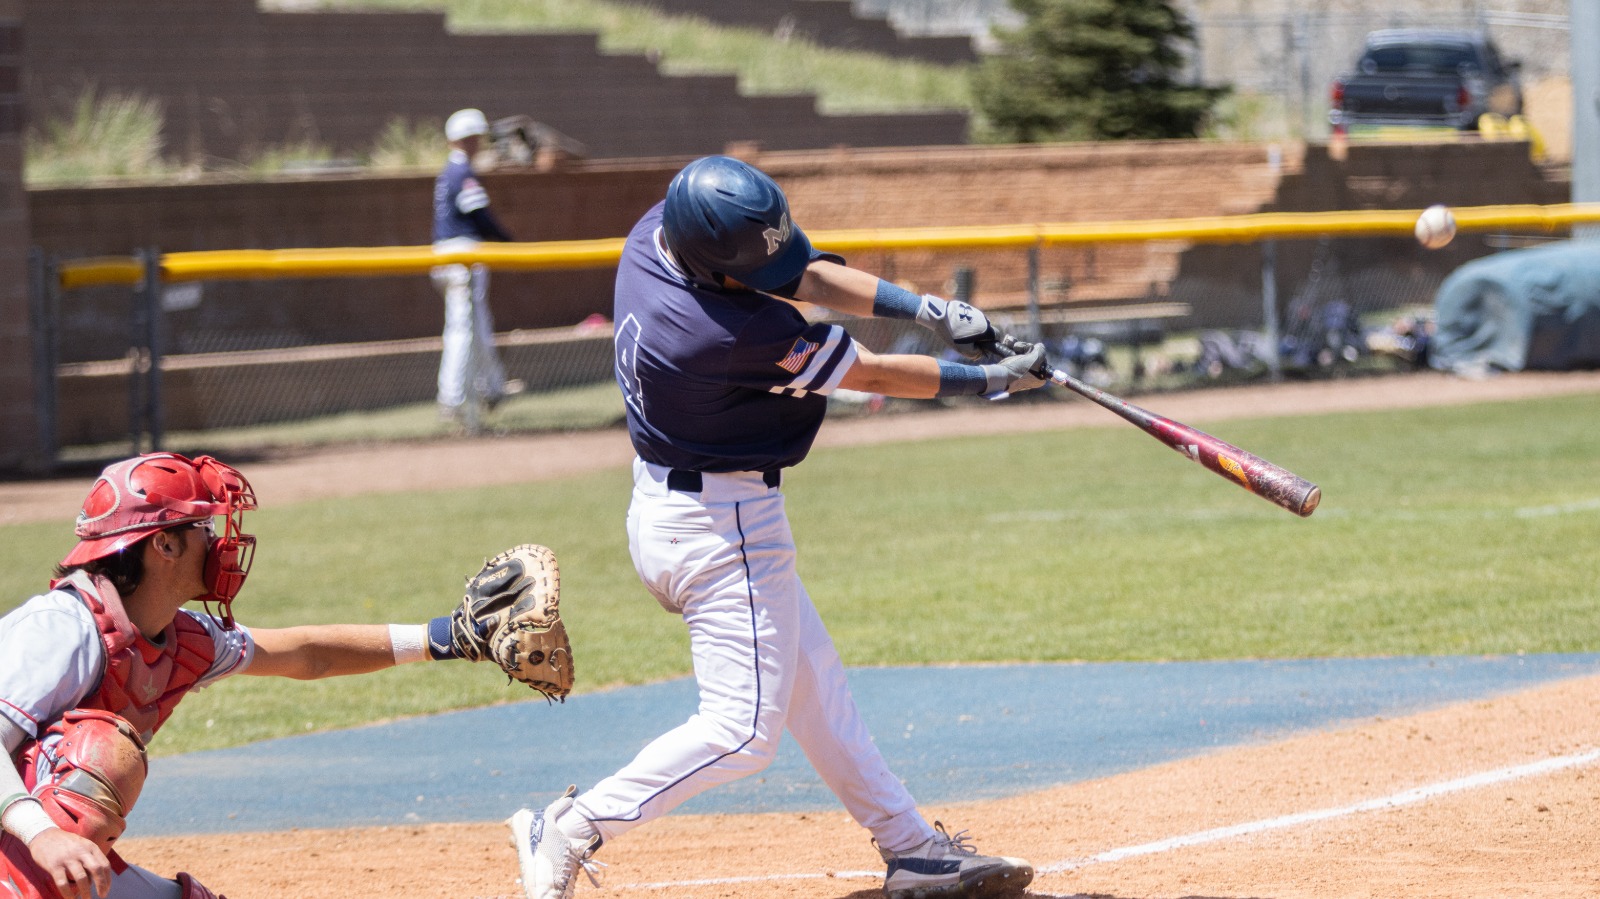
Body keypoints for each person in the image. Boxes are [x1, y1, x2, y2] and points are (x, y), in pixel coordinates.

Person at [507, 156, 1045, 899]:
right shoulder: (728, 335)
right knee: (741, 731)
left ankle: (913, 848)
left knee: (815, 689)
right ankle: (570, 825)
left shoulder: (656, 234)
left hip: (676, 509)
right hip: (722, 529)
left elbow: (806, 275)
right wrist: (992, 379)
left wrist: (935, 312)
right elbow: (872, 373)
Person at [0, 452, 492, 899]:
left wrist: (445, 638)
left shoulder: (181, 638)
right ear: (164, 544)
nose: (219, 541)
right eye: (205, 526)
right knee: (99, 753)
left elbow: (306, 654)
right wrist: (42, 835)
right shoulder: (61, 628)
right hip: (28, 838)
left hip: (33, 845)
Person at [432, 107, 520, 423]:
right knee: (462, 328)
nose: (478, 143)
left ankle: (491, 388)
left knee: (477, 324)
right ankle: (453, 399)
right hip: (462, 258)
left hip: (447, 256)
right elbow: (481, 217)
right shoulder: (461, 173)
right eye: (474, 137)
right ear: (463, 140)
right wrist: (508, 242)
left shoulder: (449, 172)